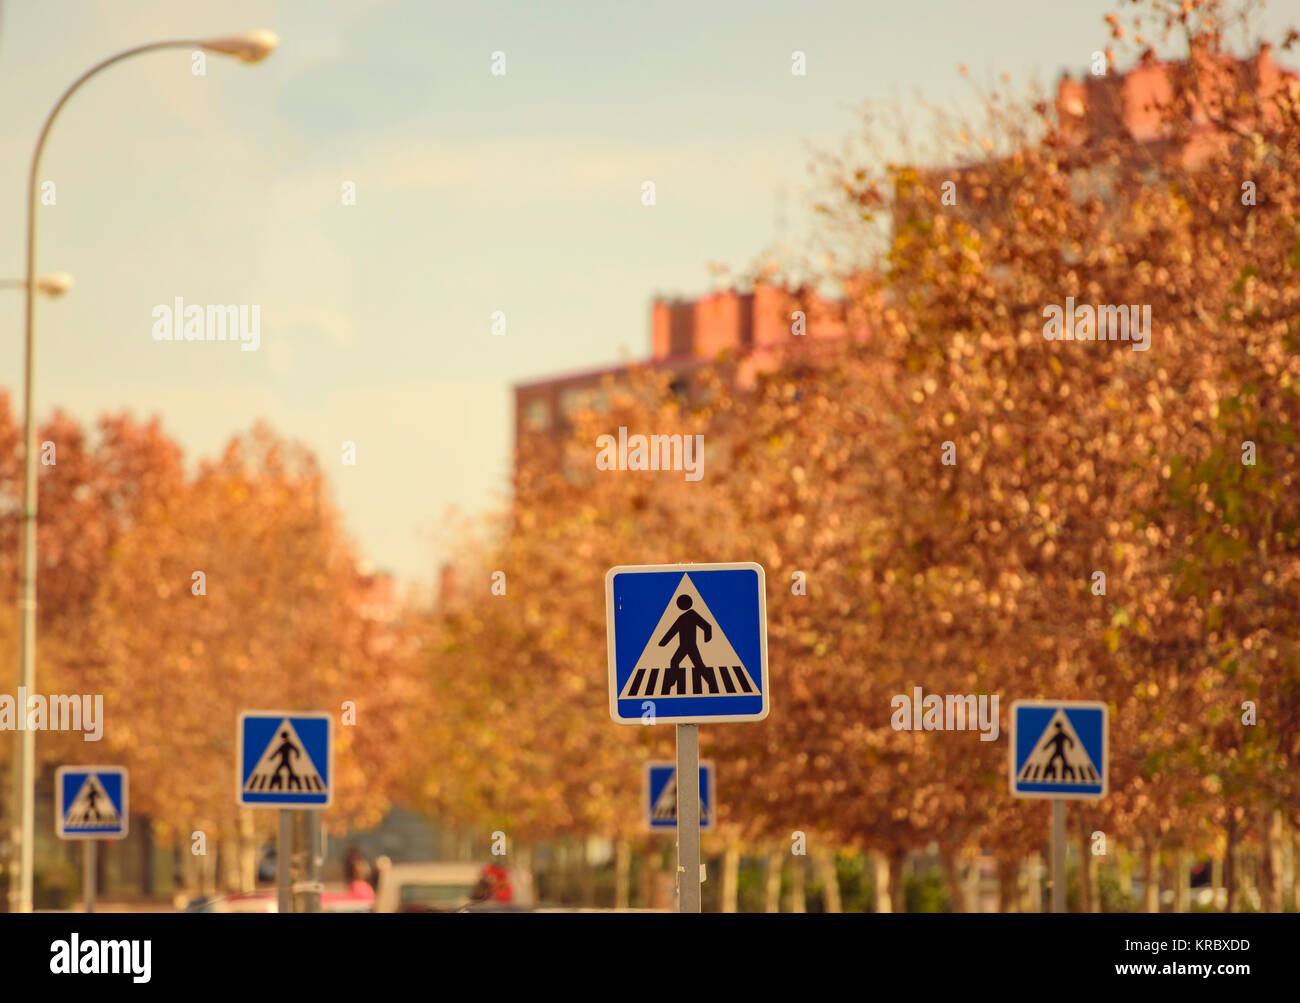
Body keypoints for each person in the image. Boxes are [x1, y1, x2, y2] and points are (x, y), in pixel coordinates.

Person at [658, 594, 712, 670]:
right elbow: (673, 631)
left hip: (690, 645)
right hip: (684, 645)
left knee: (677, 662)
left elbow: (707, 626)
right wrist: (663, 643)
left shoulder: (692, 615)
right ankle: (672, 680)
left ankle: (711, 680)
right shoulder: (682, 618)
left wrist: (707, 638)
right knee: (675, 662)